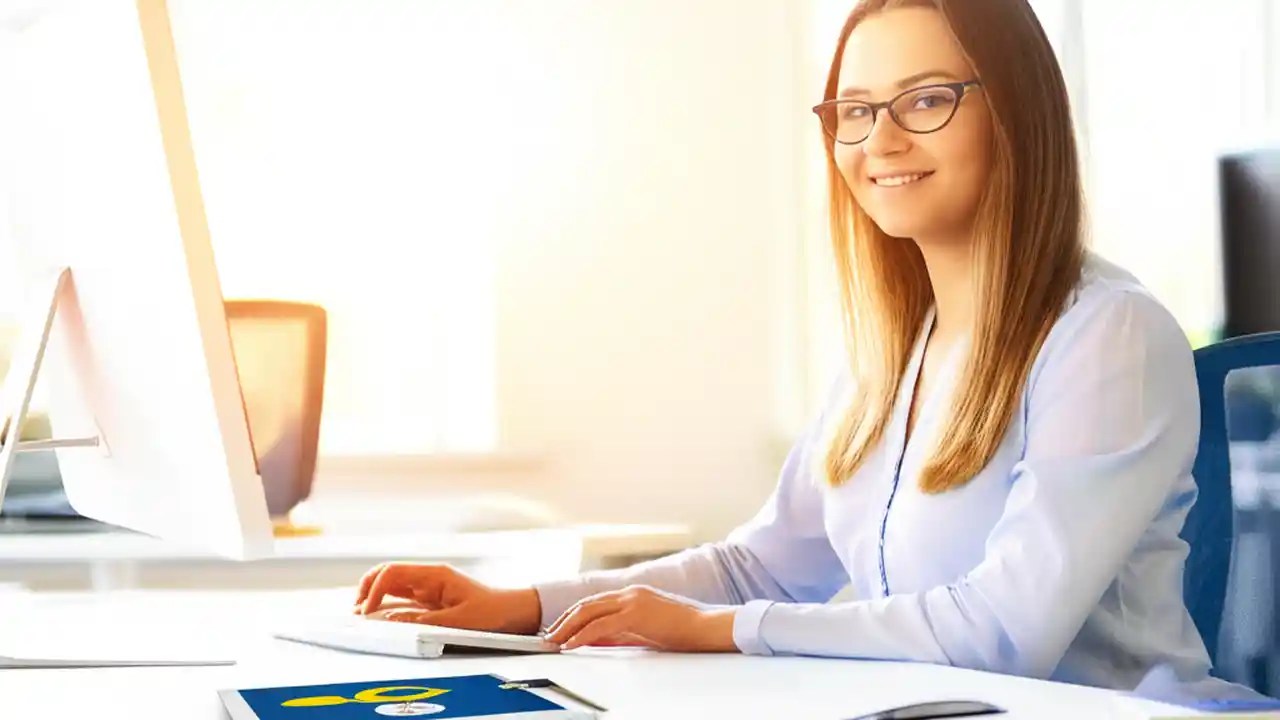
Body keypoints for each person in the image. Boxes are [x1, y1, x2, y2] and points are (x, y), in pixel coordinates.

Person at [353, 0, 1213, 690]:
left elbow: (1003, 631)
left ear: (1016, 111)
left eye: (924, 99)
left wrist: (720, 634)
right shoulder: (893, 350)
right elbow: (756, 566)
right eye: (855, 108)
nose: (879, 140)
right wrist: (522, 607)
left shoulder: (1108, 336)